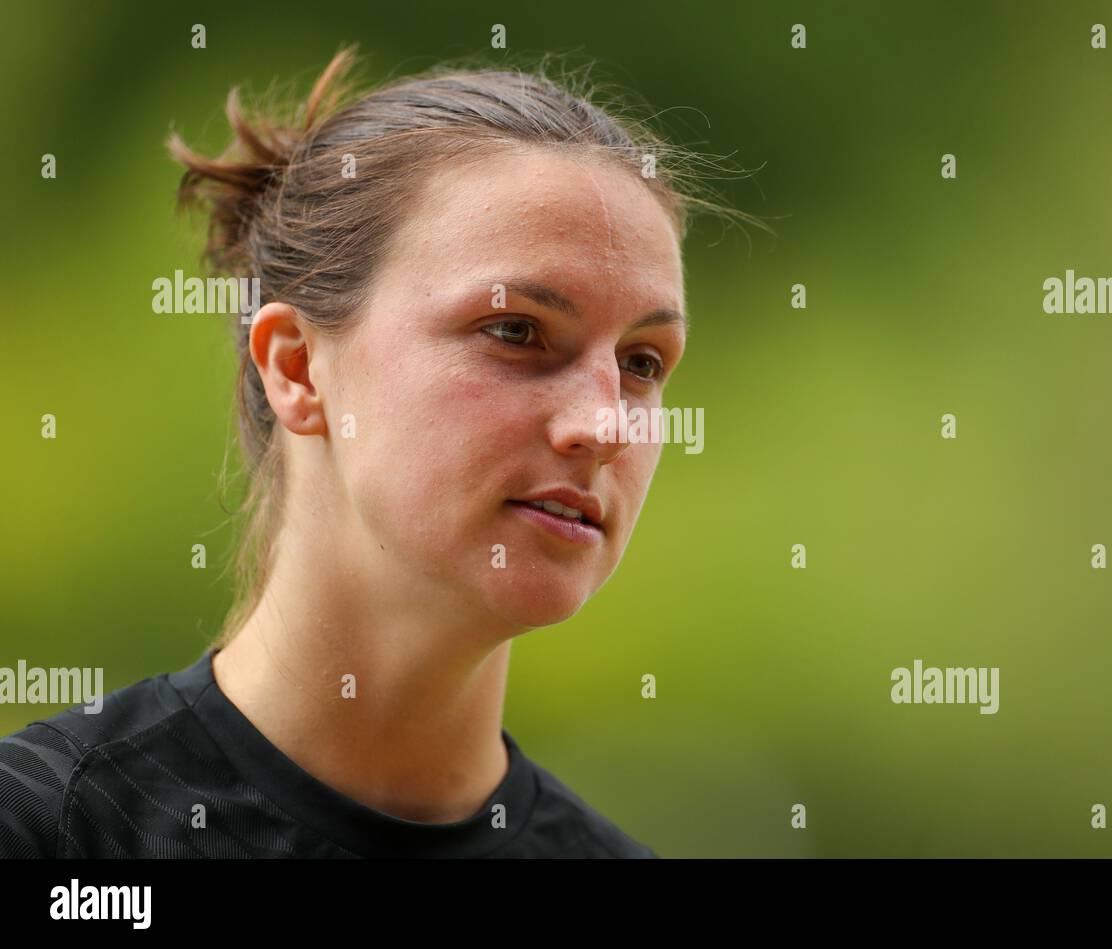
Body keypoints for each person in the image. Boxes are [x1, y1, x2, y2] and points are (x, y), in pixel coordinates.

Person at [0, 45, 757, 858]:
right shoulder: (55, 830)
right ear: (296, 365)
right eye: (515, 331)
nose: (605, 425)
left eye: (641, 364)